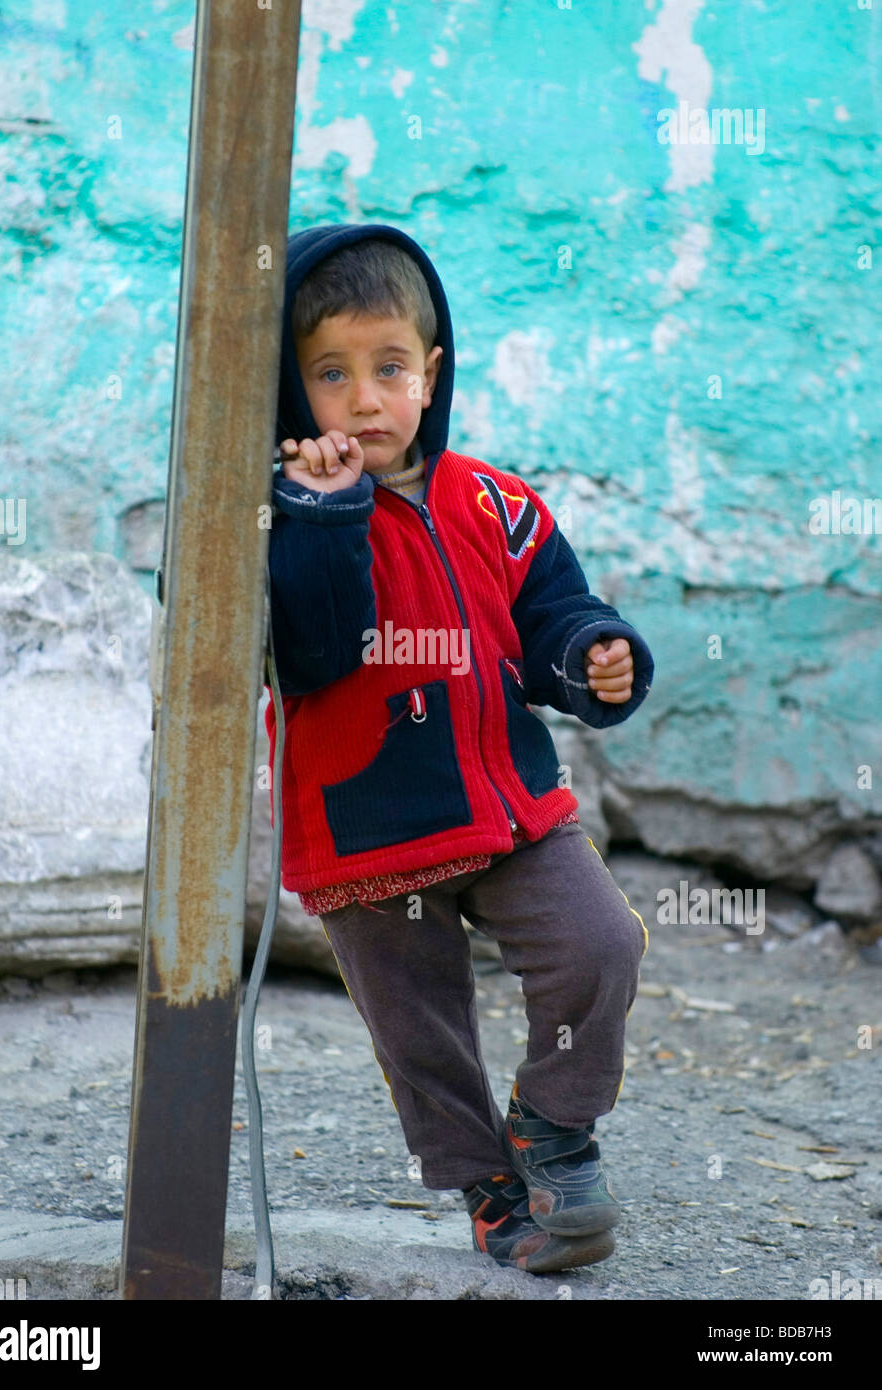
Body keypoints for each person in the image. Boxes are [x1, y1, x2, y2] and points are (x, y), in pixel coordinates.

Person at [264, 222, 654, 1276]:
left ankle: (554, 1127)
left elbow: (555, 617)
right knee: (420, 1034)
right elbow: (309, 653)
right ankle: (489, 1188)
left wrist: (594, 658)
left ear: (430, 375)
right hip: (363, 829)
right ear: (294, 391)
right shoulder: (282, 516)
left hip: (512, 811)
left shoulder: (494, 501)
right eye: (330, 374)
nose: (365, 399)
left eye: (389, 367)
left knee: (601, 945)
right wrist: (325, 514)